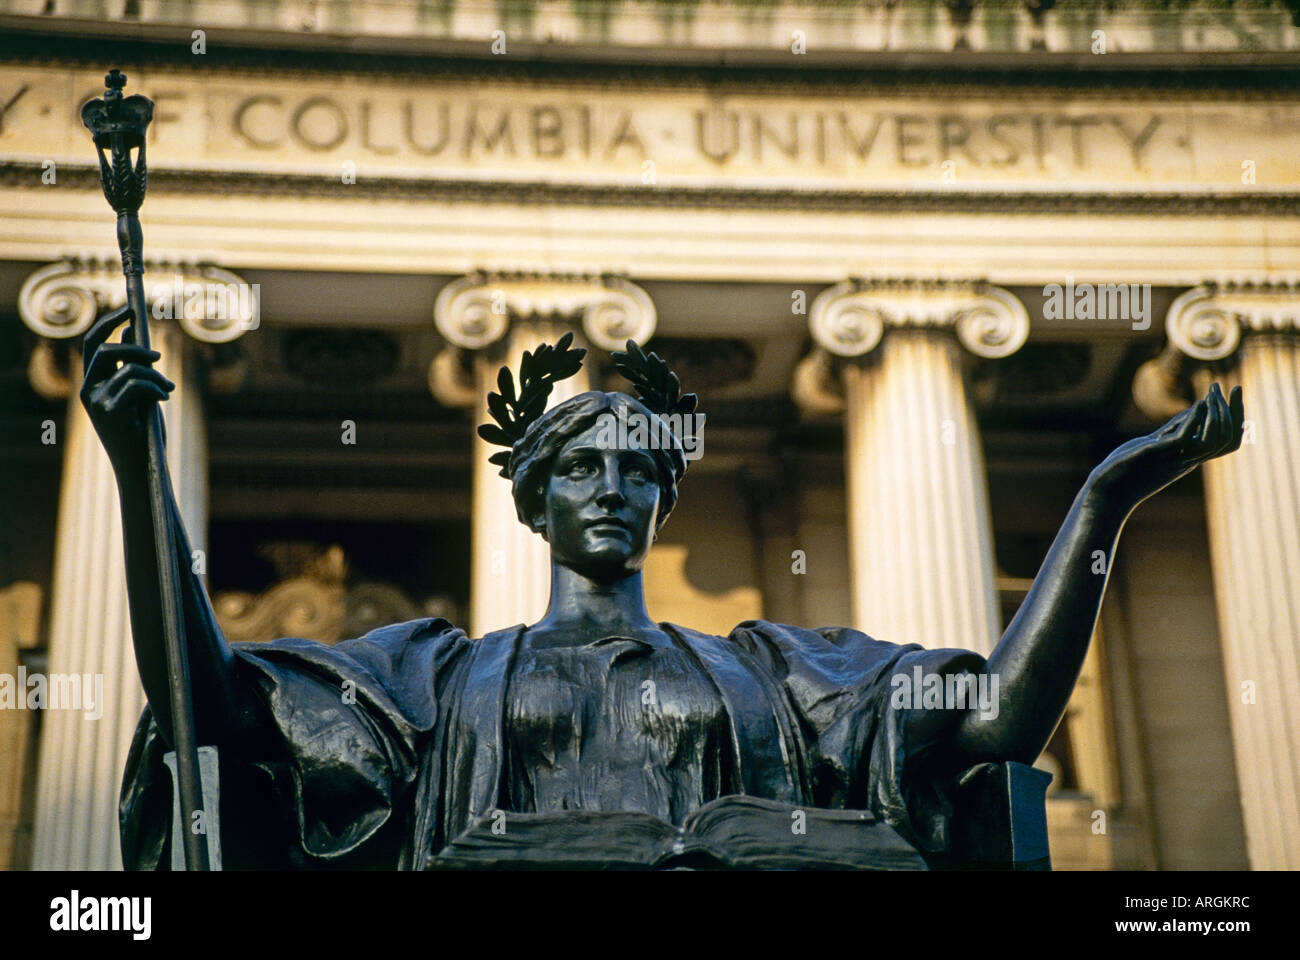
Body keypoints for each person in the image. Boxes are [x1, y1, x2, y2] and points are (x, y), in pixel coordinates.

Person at [81, 309, 1244, 869]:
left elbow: (993, 718)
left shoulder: (772, 675)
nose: (610, 489)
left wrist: (1102, 502)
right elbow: (214, 706)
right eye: (578, 467)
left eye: (637, 470)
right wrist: (140, 478)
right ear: (531, 504)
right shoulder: (428, 678)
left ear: (662, 502)